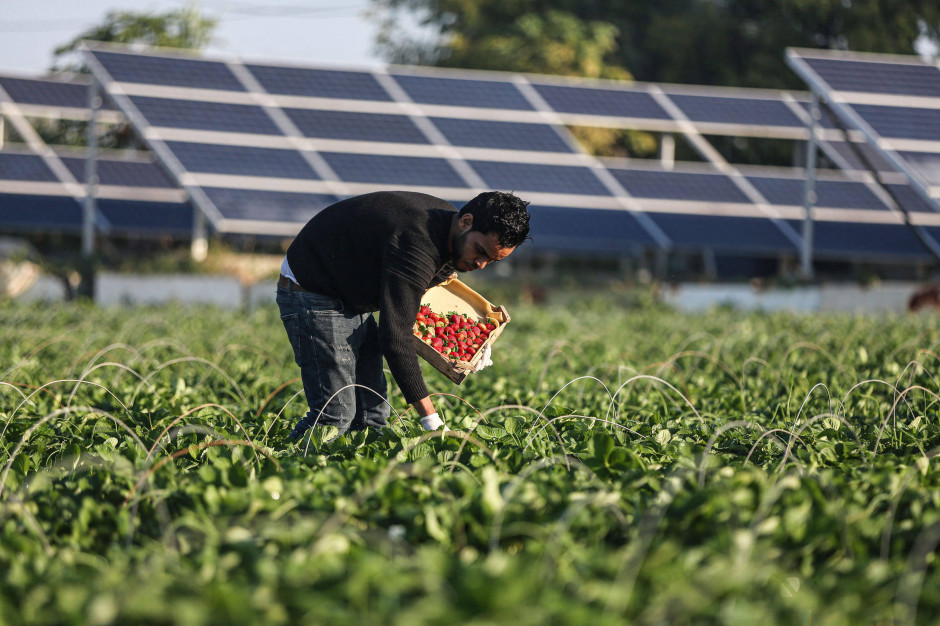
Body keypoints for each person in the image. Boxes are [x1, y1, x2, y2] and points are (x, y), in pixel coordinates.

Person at [276, 189, 531, 441]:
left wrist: (471, 343)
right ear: (466, 222)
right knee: (335, 415)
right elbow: (395, 337)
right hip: (314, 290)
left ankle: (351, 466)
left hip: (349, 290)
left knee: (372, 415)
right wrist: (430, 418)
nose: (481, 264)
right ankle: (283, 461)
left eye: (492, 260)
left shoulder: (450, 228)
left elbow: (421, 293)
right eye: (481, 251)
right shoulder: (417, 243)